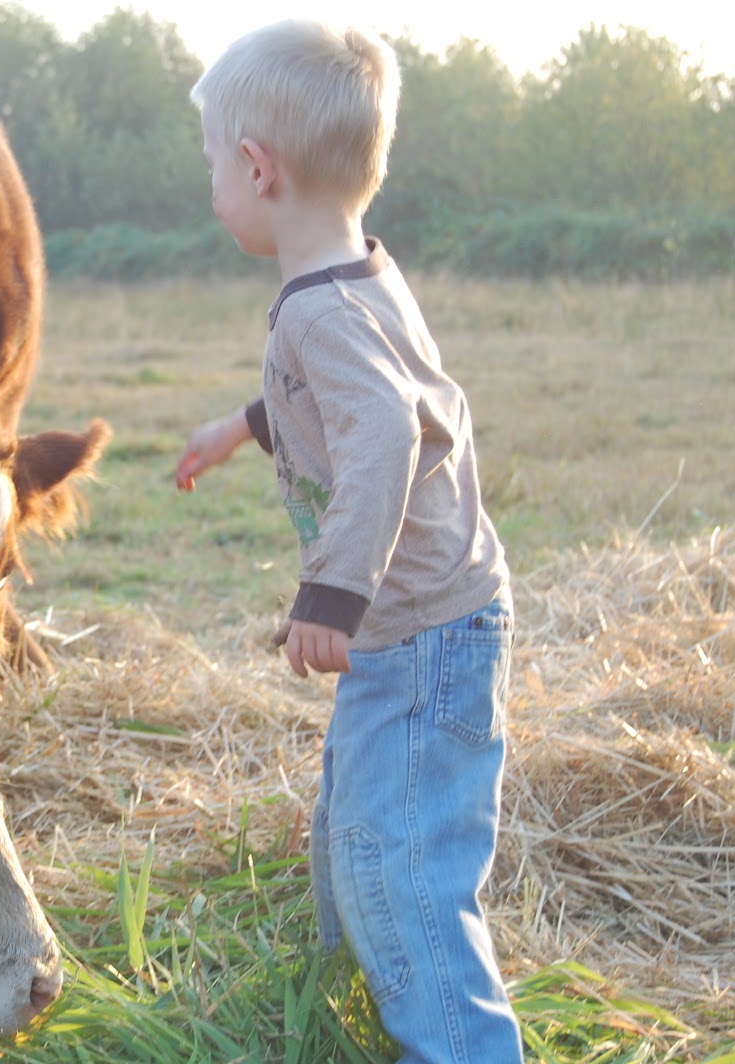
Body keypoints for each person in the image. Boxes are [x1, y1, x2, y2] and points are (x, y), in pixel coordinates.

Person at [175, 19, 523, 1064]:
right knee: (356, 836)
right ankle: (344, 1000)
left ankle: (459, 1046)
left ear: (256, 166)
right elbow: (373, 398)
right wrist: (247, 423)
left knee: (401, 866)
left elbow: (378, 431)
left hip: (414, 636)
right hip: (423, 624)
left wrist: (330, 592)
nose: (212, 190)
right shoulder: (357, 274)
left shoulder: (318, 314)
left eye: (212, 168)